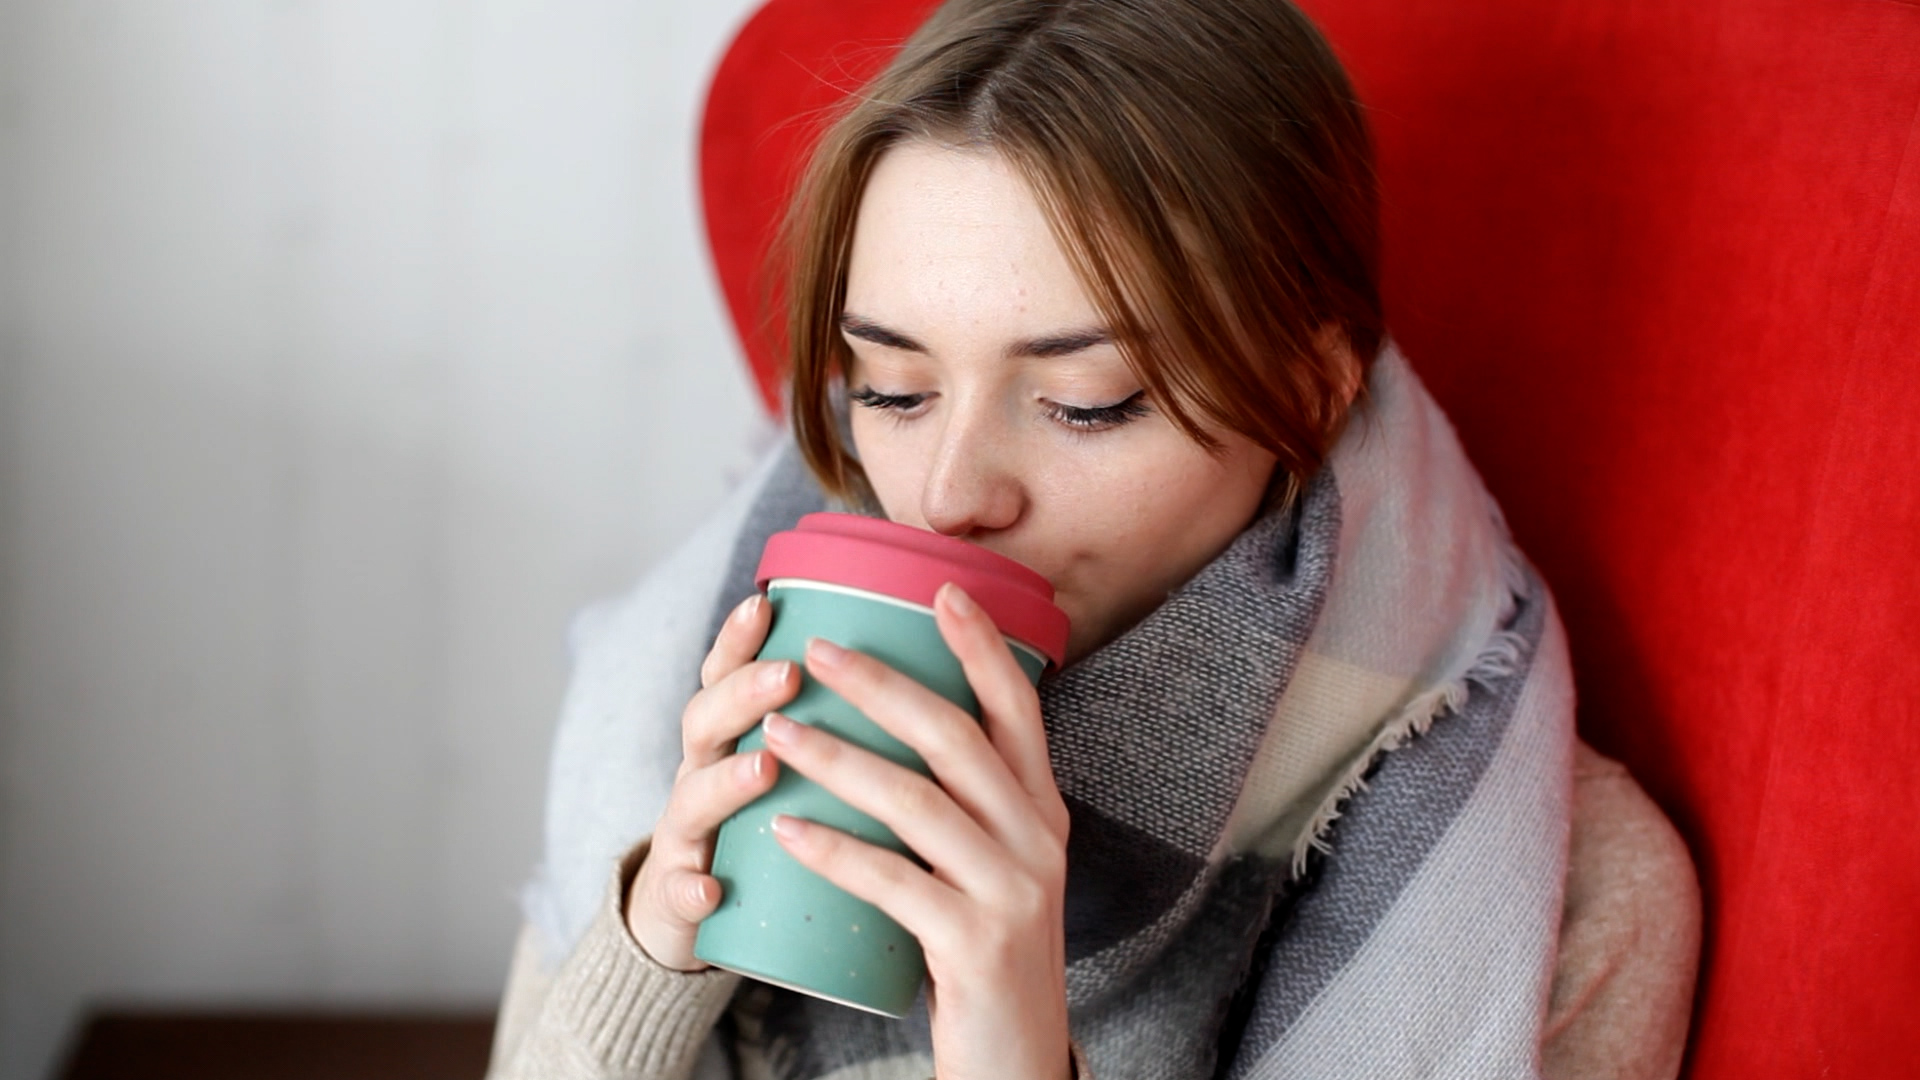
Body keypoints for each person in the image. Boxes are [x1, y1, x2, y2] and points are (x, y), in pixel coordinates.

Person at [486, 1, 1701, 1078]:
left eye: (1089, 402)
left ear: (1314, 390)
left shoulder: (1556, 887)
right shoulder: (685, 669)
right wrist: (652, 944)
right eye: (894, 389)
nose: (948, 494)